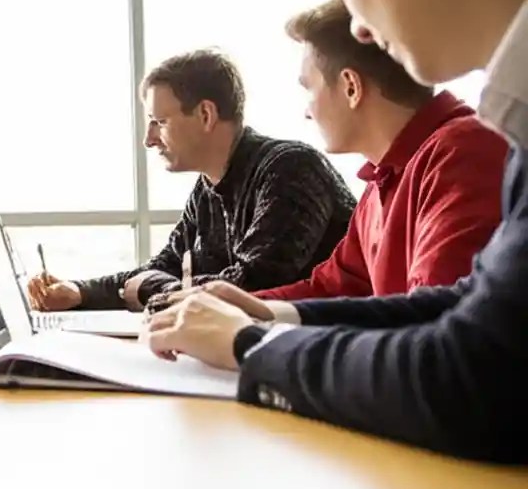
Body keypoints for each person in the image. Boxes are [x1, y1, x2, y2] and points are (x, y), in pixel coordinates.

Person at [147, 0, 528, 463]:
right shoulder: (497, 128)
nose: (360, 29)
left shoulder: (472, 145)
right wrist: (266, 318)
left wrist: (249, 345)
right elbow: (466, 309)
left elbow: (472, 372)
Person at [172, 0, 505, 309]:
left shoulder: (463, 154)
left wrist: (246, 328)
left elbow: (431, 318)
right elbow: (331, 288)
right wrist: (233, 308)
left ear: (350, 87)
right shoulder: (381, 182)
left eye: (309, 88)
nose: (307, 111)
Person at [29, 49, 356, 312]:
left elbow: (251, 285)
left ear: (205, 115)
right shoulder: (207, 188)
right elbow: (165, 265)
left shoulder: (290, 169)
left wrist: (152, 290)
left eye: (160, 122)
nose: (149, 139)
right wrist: (79, 292)